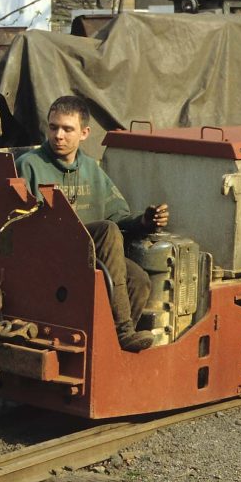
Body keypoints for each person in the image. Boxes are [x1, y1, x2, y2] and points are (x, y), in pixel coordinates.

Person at [15, 96, 169, 352]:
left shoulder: (91, 169)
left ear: (85, 133)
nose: (58, 136)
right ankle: (123, 332)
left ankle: (104, 347)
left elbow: (117, 216)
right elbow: (20, 225)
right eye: (53, 127)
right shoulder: (29, 166)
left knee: (138, 280)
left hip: (88, 255)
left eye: (67, 129)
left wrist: (144, 221)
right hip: (49, 256)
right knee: (107, 231)